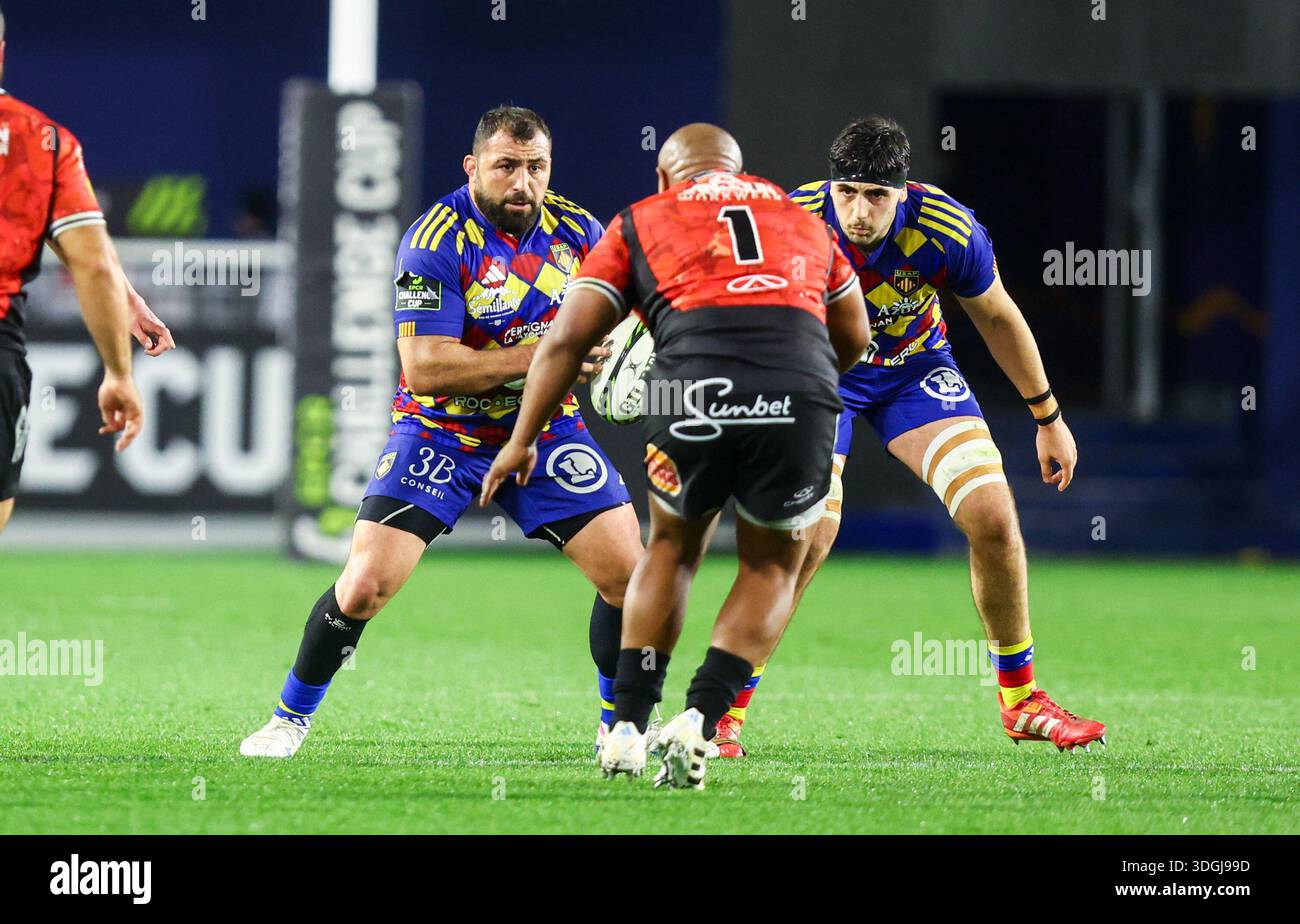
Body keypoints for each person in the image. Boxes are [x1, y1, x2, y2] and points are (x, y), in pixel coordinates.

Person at [240, 106, 642, 758]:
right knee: (365, 586)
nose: (522, 183)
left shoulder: (580, 229)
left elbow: (622, 309)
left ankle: (616, 728)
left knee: (630, 576)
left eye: (536, 167)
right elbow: (425, 368)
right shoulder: (434, 240)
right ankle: (289, 718)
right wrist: (550, 352)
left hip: (546, 428)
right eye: (506, 166)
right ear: (473, 166)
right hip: (440, 435)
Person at [481, 124, 870, 788]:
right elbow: (854, 336)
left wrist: (521, 440)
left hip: (693, 390)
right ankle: (700, 719)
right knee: (775, 563)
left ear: (667, 178)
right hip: (801, 391)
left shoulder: (643, 218)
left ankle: (629, 726)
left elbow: (566, 342)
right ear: (739, 170)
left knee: (670, 550)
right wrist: (799, 389)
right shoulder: (800, 217)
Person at [726, 116, 1105, 754]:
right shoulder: (791, 224)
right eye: (847, 191)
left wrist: (1049, 417)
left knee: (991, 513)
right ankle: (724, 712)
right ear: (830, 185)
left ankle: (1021, 701)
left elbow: (998, 319)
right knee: (810, 534)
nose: (859, 209)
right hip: (821, 378)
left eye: (877, 195)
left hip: (913, 371)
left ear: (904, 191)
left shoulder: (947, 229)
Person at [0, 3, 174, 536]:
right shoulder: (41, 143)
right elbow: (92, 262)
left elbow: (99, 267)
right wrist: (119, 374)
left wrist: (121, 290)